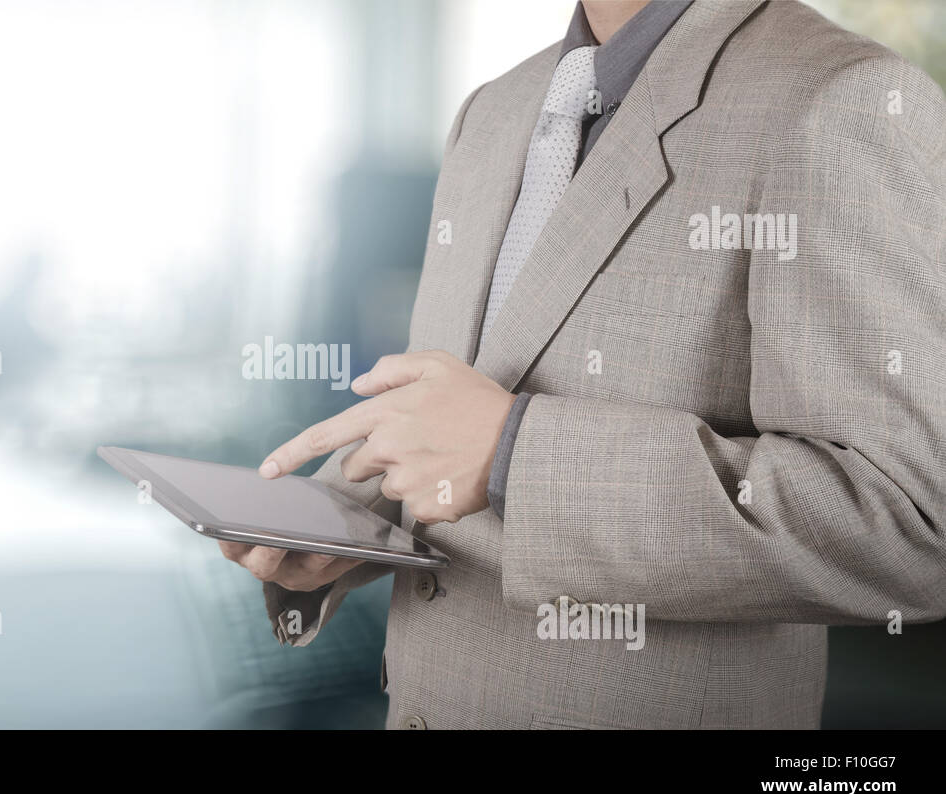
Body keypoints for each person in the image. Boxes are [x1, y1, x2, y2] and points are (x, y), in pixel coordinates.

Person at [219, 0, 946, 729]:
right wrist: (338, 524)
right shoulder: (493, 111)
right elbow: (457, 415)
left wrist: (516, 455)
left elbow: (909, 524)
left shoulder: (840, 97)